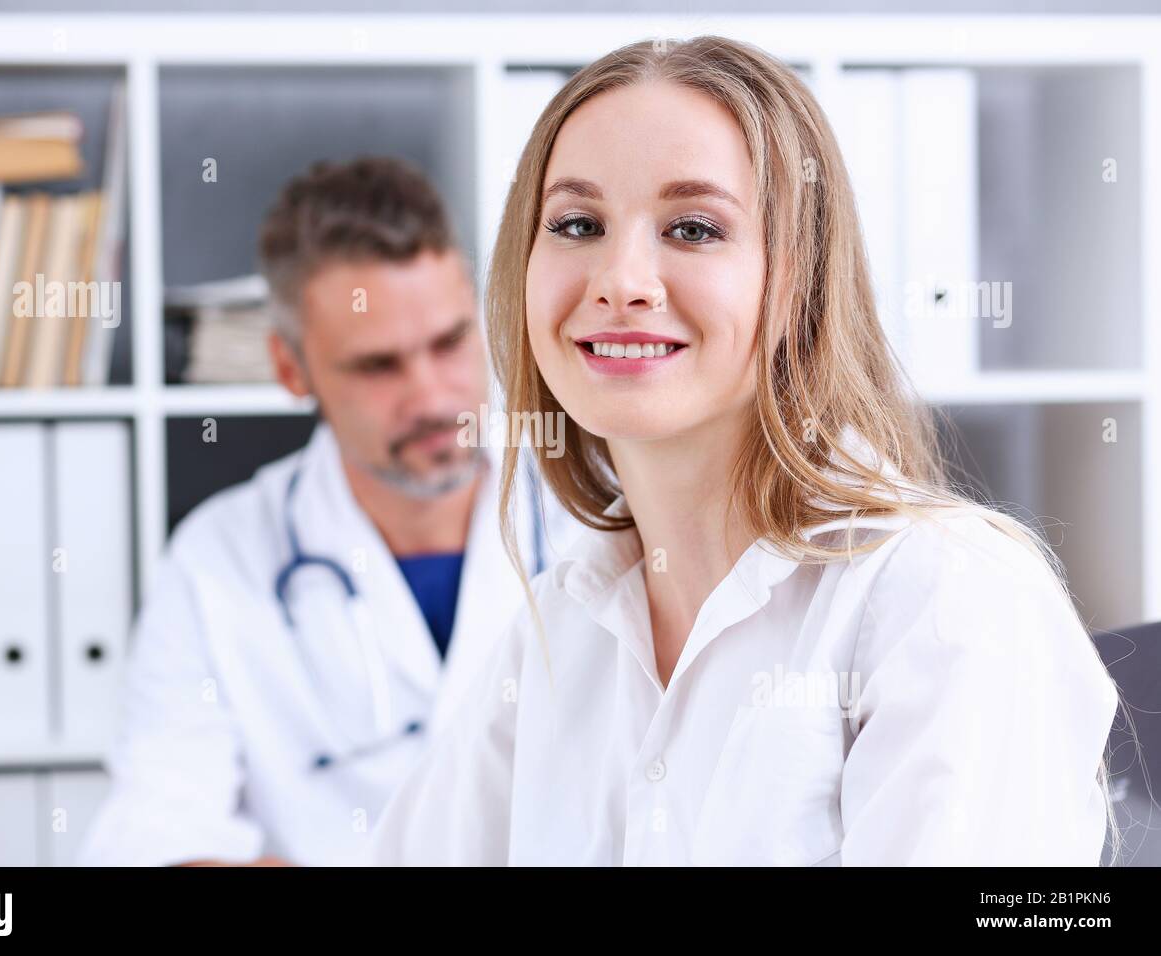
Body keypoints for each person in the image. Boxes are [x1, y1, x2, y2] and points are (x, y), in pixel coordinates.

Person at [358, 37, 1122, 866]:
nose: (622, 279)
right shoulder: (562, 629)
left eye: (693, 228)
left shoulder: (945, 599)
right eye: (578, 224)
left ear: (799, 285)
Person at [79, 156, 577, 866]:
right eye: (379, 366)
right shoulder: (221, 558)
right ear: (290, 367)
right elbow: (158, 836)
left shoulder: (596, 516)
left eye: (449, 342)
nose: (434, 399)